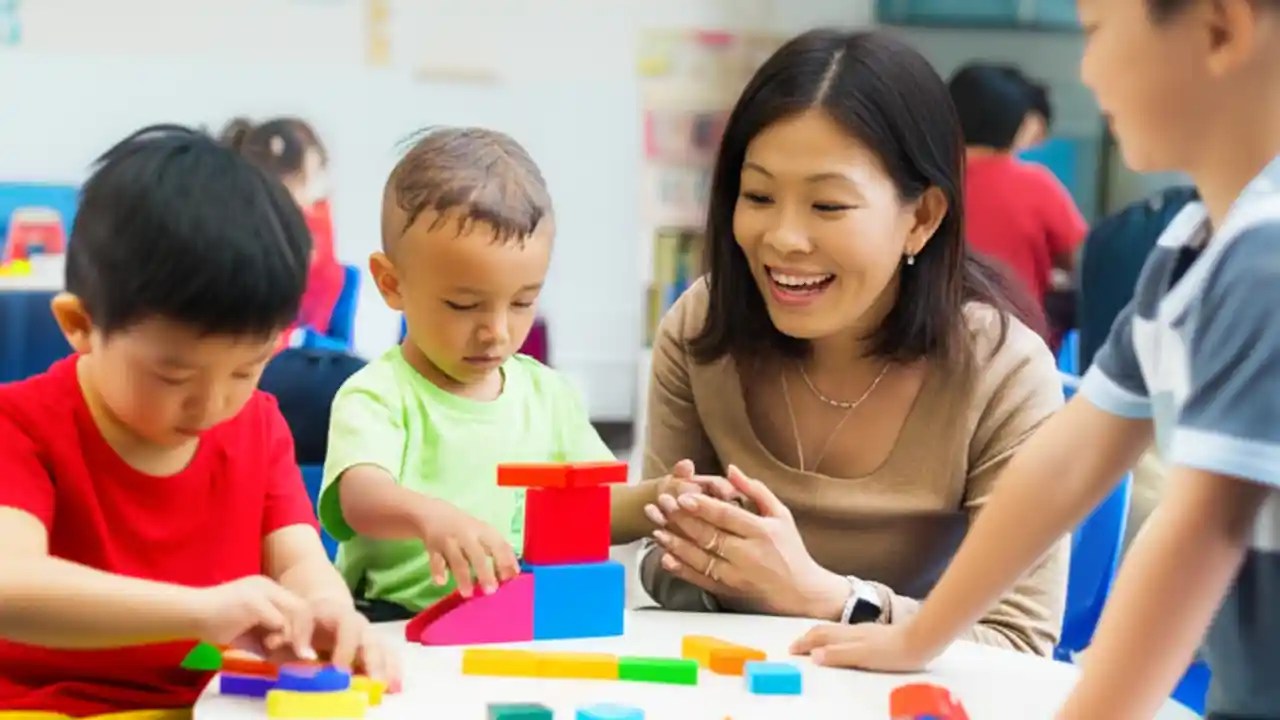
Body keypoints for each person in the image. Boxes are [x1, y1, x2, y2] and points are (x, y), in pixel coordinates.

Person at [792, 1, 1280, 718]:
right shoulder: (1192, 247)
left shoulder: (1263, 262)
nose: (1085, 70)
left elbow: (1200, 535)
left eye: (1096, 33)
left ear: (1220, 29)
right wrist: (921, 634)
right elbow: (1068, 460)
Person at [608, 29, 1068, 656]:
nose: (783, 239)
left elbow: (1018, 641)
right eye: (759, 196)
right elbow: (659, 565)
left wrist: (825, 597)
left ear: (923, 218)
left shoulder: (1001, 368)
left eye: (827, 205)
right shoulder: (701, 327)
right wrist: (702, 550)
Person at [0, 125, 397, 716]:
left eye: (246, 370)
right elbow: (12, 586)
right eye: (174, 377)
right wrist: (199, 612)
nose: (213, 405)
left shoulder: (259, 426)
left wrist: (328, 609)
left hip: (216, 701)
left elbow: (297, 559)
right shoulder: (22, 425)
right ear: (79, 324)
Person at [317, 127, 617, 622]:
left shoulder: (548, 395)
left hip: (509, 618)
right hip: (391, 620)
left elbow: (600, 506)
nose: (496, 332)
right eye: (464, 305)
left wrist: (663, 500)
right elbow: (360, 497)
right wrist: (430, 516)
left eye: (522, 303)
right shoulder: (378, 394)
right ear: (392, 284)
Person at [220, 117, 367, 466]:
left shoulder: (310, 222)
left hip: (297, 349)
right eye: (313, 174)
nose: (320, 189)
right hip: (267, 358)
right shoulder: (253, 225)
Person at [948, 63, 1088, 325]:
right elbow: (1080, 262)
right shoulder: (1037, 185)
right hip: (1019, 342)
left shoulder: (926, 181)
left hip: (932, 340)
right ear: (1018, 123)